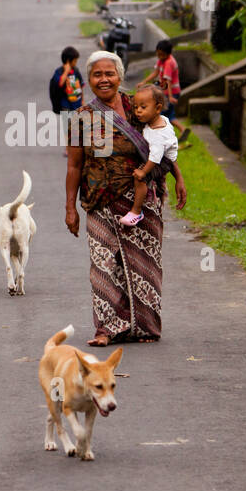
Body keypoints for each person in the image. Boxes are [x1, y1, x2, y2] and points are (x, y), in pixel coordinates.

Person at [65, 50, 187, 345]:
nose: (104, 79)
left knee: (143, 262)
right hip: (99, 202)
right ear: (89, 80)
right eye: (97, 74)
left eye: (110, 74)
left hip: (142, 201)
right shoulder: (82, 118)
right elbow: (74, 166)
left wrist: (178, 177)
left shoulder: (139, 106)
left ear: (120, 77)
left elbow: (164, 144)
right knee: (103, 264)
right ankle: (107, 329)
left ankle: (144, 328)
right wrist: (70, 207)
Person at [120, 84, 179, 227]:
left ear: (157, 108)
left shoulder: (157, 134)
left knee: (140, 179)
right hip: (165, 157)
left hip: (163, 161)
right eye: (135, 107)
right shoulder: (158, 120)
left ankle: (136, 211)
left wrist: (143, 172)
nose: (138, 111)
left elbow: (155, 158)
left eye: (143, 107)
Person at [142, 38, 187, 141]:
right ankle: (181, 129)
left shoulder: (169, 63)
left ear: (168, 53)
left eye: (162, 54)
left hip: (171, 92)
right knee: (169, 115)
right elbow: (156, 72)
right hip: (166, 93)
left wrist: (170, 96)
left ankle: (161, 135)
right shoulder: (162, 60)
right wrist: (144, 81)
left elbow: (168, 81)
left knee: (161, 114)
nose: (159, 57)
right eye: (158, 54)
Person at [49, 47, 84, 115]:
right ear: (68, 61)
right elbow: (60, 83)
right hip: (65, 105)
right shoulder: (59, 72)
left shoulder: (76, 71)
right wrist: (66, 71)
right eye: (75, 61)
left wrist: (82, 100)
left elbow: (81, 85)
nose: (76, 63)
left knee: (77, 124)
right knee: (67, 124)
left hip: (77, 103)